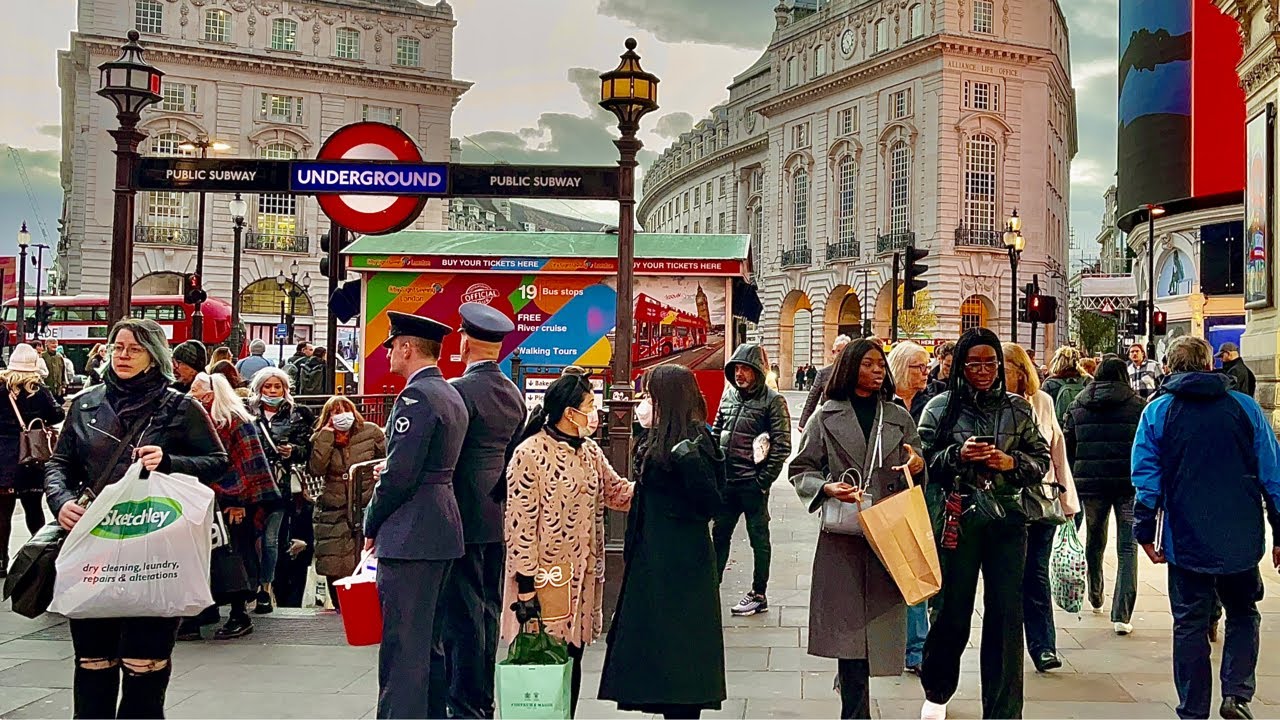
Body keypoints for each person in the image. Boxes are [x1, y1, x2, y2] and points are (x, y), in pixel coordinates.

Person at [44, 318, 227, 720]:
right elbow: (59, 464)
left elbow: (218, 461)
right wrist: (61, 501)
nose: (123, 355)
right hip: (96, 544)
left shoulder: (180, 406)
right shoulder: (86, 404)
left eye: (134, 349)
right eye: (117, 347)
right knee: (93, 659)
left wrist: (171, 461)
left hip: (156, 548)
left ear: (154, 356)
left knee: (145, 662)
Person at [1131, 336, 1280, 720]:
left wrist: (1144, 529)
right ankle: (1237, 693)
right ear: (1209, 363)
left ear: (1169, 366)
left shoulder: (1158, 411)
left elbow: (1146, 477)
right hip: (1240, 532)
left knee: (1190, 623)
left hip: (1186, 534)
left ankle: (1193, 710)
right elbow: (1273, 472)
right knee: (1243, 612)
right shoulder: (1244, 407)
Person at [916, 328, 1051, 720]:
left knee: (1006, 616)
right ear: (960, 365)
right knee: (951, 612)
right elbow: (922, 463)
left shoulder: (1018, 408)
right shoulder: (939, 407)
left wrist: (1011, 463)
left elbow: (1040, 459)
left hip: (1007, 518)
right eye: (973, 362)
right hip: (957, 519)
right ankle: (937, 689)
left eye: (990, 362)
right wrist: (958, 455)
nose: (983, 370)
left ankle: (1003, 710)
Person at [790, 340, 926, 718]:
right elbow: (801, 468)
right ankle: (855, 710)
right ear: (850, 368)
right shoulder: (826, 416)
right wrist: (826, 487)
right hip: (844, 538)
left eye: (880, 364)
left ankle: (854, 694)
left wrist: (917, 465)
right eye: (868, 364)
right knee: (848, 632)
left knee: (878, 629)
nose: (877, 370)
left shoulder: (897, 416)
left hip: (889, 532)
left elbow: (917, 461)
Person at [599, 365, 726, 720]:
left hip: (683, 565)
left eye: (650, 397)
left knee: (682, 659)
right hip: (651, 558)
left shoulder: (698, 441)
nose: (644, 404)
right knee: (658, 657)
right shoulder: (654, 439)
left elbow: (712, 503)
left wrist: (690, 463)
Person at [504, 373, 633, 718]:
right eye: (590, 405)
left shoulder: (590, 451)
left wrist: (660, 482)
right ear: (569, 412)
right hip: (545, 581)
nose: (595, 413)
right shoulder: (529, 454)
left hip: (583, 578)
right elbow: (520, 527)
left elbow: (617, 492)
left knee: (571, 661)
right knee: (544, 661)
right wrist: (526, 591)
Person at [364, 311, 468, 720]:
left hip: (411, 532)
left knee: (402, 649)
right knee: (429, 645)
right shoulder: (450, 393)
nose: (389, 353)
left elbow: (399, 475)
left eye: (392, 346)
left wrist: (371, 521)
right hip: (442, 526)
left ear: (407, 348)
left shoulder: (415, 397)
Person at [438, 303, 526, 719]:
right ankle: (484, 697)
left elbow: (447, 454)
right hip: (497, 511)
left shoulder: (458, 390)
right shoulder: (513, 394)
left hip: (461, 512)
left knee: (462, 614)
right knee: (489, 607)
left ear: (465, 342)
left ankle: (465, 700)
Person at [1002, 342, 1080, 673]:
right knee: (1008, 577)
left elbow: (1057, 450)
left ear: (1021, 371)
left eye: (1003, 367)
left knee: (1035, 573)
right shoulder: (990, 404)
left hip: (1042, 500)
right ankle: (1007, 647)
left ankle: (1043, 646)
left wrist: (1068, 501)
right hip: (1004, 503)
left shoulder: (1043, 402)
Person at [187, 372, 280, 640]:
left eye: (196, 390)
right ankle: (208, 610)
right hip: (211, 501)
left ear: (211, 394)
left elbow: (247, 464)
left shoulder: (235, 422)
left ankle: (239, 614)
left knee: (235, 556)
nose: (191, 395)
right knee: (212, 557)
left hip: (234, 502)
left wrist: (237, 500)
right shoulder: (211, 422)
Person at [1062, 358, 1144, 634]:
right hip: (1128, 484)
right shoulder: (1138, 406)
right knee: (1127, 547)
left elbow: (1068, 447)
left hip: (1091, 484)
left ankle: (1095, 592)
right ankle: (1121, 614)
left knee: (1094, 539)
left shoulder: (1078, 405)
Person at [711, 343, 792, 616]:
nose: (740, 374)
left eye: (745, 369)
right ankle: (711, 588)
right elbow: (716, 433)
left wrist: (762, 482)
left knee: (759, 539)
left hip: (752, 485)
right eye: (736, 368)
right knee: (719, 536)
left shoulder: (773, 401)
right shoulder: (729, 396)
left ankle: (759, 594)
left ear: (758, 371)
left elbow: (782, 446)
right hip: (727, 483)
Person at [246, 367, 316, 614]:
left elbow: (307, 449)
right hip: (250, 485)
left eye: (277, 386)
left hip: (279, 486)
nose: (273, 391)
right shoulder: (247, 413)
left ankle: (265, 588)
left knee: (270, 540)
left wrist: (292, 451)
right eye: (268, 386)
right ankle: (251, 587)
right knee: (249, 540)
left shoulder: (297, 415)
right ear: (259, 388)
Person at [309, 395, 385, 609]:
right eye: (336, 412)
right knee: (335, 561)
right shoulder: (320, 437)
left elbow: (386, 458)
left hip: (365, 500)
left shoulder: (371, 432)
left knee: (365, 559)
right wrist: (326, 437)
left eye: (346, 410)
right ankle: (340, 606)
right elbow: (316, 469)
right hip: (334, 507)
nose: (342, 416)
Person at [886, 340, 931, 674]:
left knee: (917, 574)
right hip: (887, 497)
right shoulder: (884, 405)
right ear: (902, 368)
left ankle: (916, 649)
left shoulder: (933, 401)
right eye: (919, 367)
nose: (926, 372)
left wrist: (920, 462)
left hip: (922, 497)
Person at [0, 344, 65, 572]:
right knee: (34, 510)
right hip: (31, 457)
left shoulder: (1, 388)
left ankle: (1, 561)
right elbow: (58, 414)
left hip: (3, 458)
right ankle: (38, 557)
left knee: (3, 513)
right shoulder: (38, 389)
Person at [800, 334, 852, 427]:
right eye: (838, 351)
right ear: (833, 352)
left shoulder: (856, 371)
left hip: (849, 420)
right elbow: (812, 398)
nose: (840, 354)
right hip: (828, 420)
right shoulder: (823, 373)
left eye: (844, 351)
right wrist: (803, 423)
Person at [1041, 346, 1089, 423]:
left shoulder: (1049, 383)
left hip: (1058, 425)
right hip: (1082, 425)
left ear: (1058, 361)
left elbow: (1043, 412)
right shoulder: (1087, 380)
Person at [917, 341, 956, 412]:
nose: (951, 370)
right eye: (947, 365)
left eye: (954, 367)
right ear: (939, 359)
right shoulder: (926, 378)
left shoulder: (959, 382)